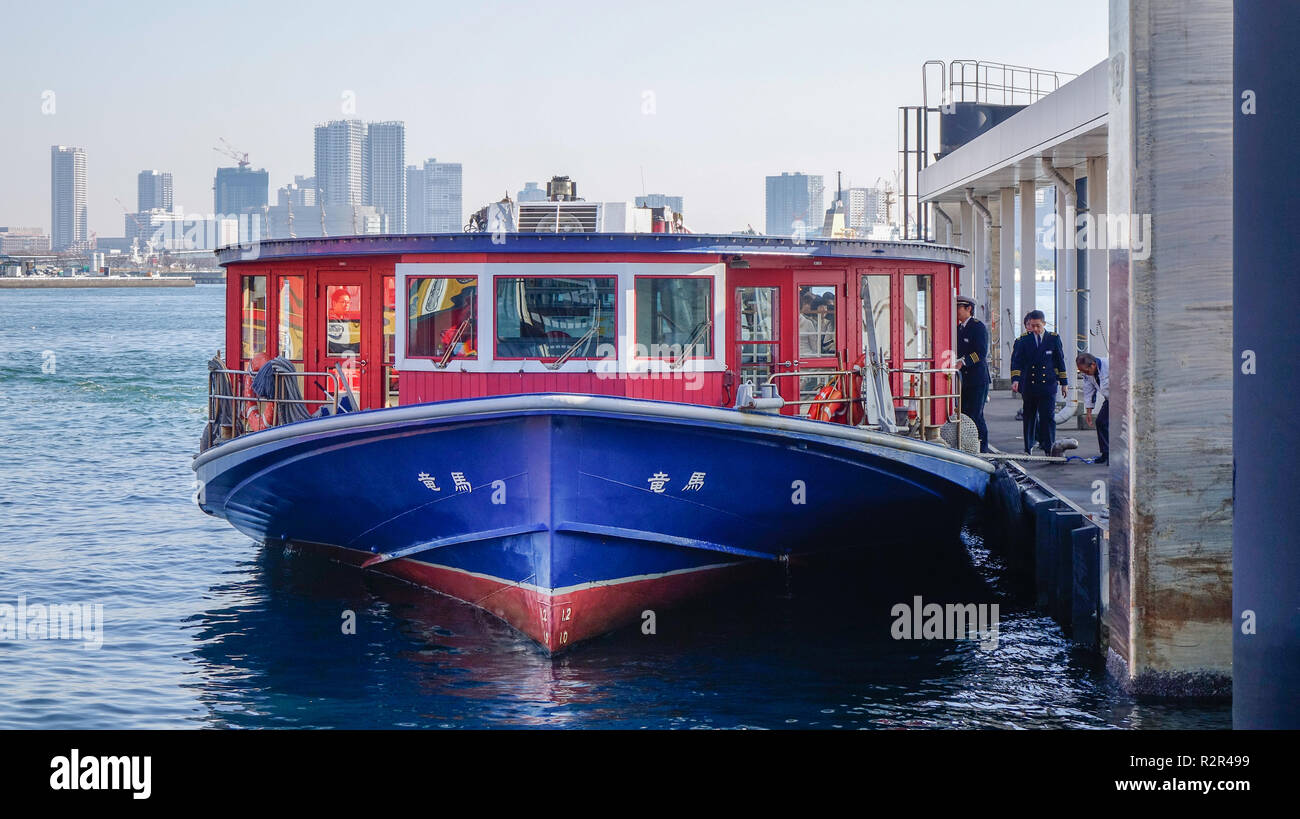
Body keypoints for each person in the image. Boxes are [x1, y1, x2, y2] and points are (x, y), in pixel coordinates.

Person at [1010, 310, 1068, 455]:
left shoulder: (1053, 338)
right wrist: (1015, 380)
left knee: (1048, 417)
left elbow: (1060, 361)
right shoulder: (1024, 340)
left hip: (1048, 384)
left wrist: (1064, 383)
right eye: (1032, 326)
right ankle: (1028, 447)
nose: (1035, 329)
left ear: (1044, 323)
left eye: (1038, 326)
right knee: (1029, 416)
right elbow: (1017, 361)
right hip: (1030, 384)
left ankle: (1049, 447)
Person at [954, 295, 990, 452]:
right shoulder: (958, 328)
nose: (955, 311)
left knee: (975, 415)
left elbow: (981, 352)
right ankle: (969, 447)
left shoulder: (978, 327)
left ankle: (982, 449)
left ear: (968, 309)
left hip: (977, 379)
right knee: (965, 414)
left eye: (958, 308)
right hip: (964, 380)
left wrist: (964, 361)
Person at [1076, 352, 1109, 464]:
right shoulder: (1088, 374)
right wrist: (1088, 412)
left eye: (1085, 371)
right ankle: (1106, 453)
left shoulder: (1110, 366)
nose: (1084, 373)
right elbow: (1089, 391)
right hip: (1110, 398)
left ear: (1093, 365)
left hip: (1125, 398)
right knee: (1101, 422)